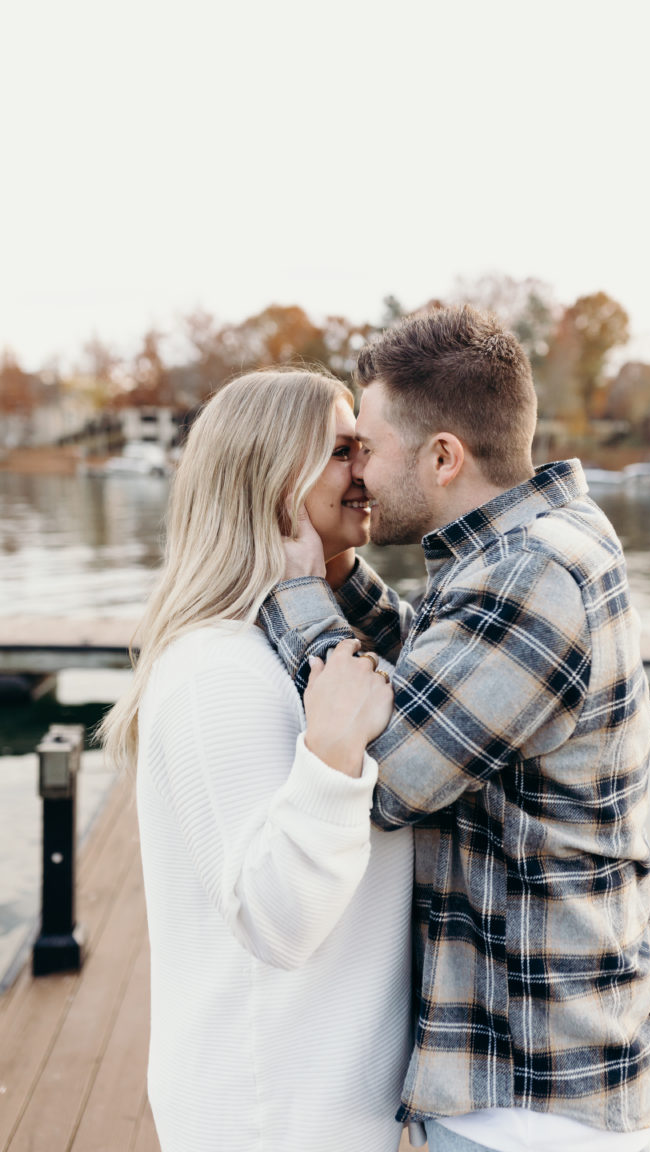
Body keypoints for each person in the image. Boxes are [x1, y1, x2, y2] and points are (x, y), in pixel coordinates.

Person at [259, 307, 650, 1152]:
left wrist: (295, 591)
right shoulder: (536, 541)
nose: (359, 476)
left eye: (367, 450)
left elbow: (381, 772)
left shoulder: (531, 576)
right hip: (558, 1065)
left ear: (443, 456)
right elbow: (446, 673)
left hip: (535, 1095)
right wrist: (346, 583)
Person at [99, 368, 414, 1152]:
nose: (365, 468)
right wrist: (333, 757)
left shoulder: (293, 647)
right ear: (275, 480)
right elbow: (274, 920)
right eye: (343, 450)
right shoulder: (219, 670)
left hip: (329, 1105)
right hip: (267, 1113)